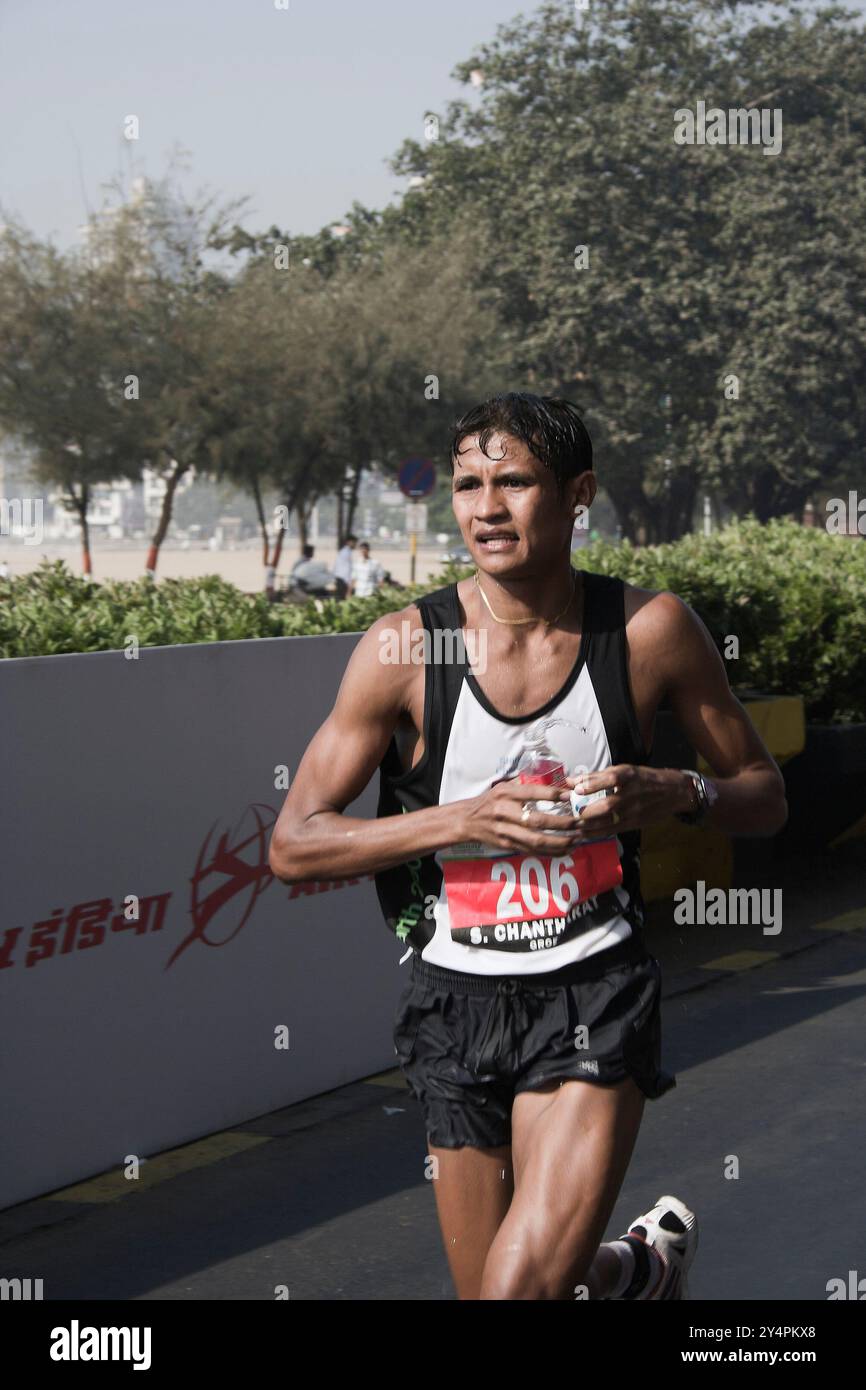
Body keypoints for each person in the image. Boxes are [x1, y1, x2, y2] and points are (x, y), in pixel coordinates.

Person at [269, 392, 788, 1300]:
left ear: (578, 492)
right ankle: (635, 1273)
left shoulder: (648, 632)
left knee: (518, 1294)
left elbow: (764, 796)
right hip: (453, 1001)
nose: (486, 508)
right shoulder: (402, 647)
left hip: (593, 989)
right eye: (469, 485)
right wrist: (460, 820)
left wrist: (677, 790)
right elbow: (294, 843)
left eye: (515, 482)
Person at [333, 533, 358, 599]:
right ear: (349, 542)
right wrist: (349, 585)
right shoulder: (347, 553)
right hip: (343, 581)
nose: (355, 545)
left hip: (339, 580)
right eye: (354, 542)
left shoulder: (343, 551)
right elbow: (347, 570)